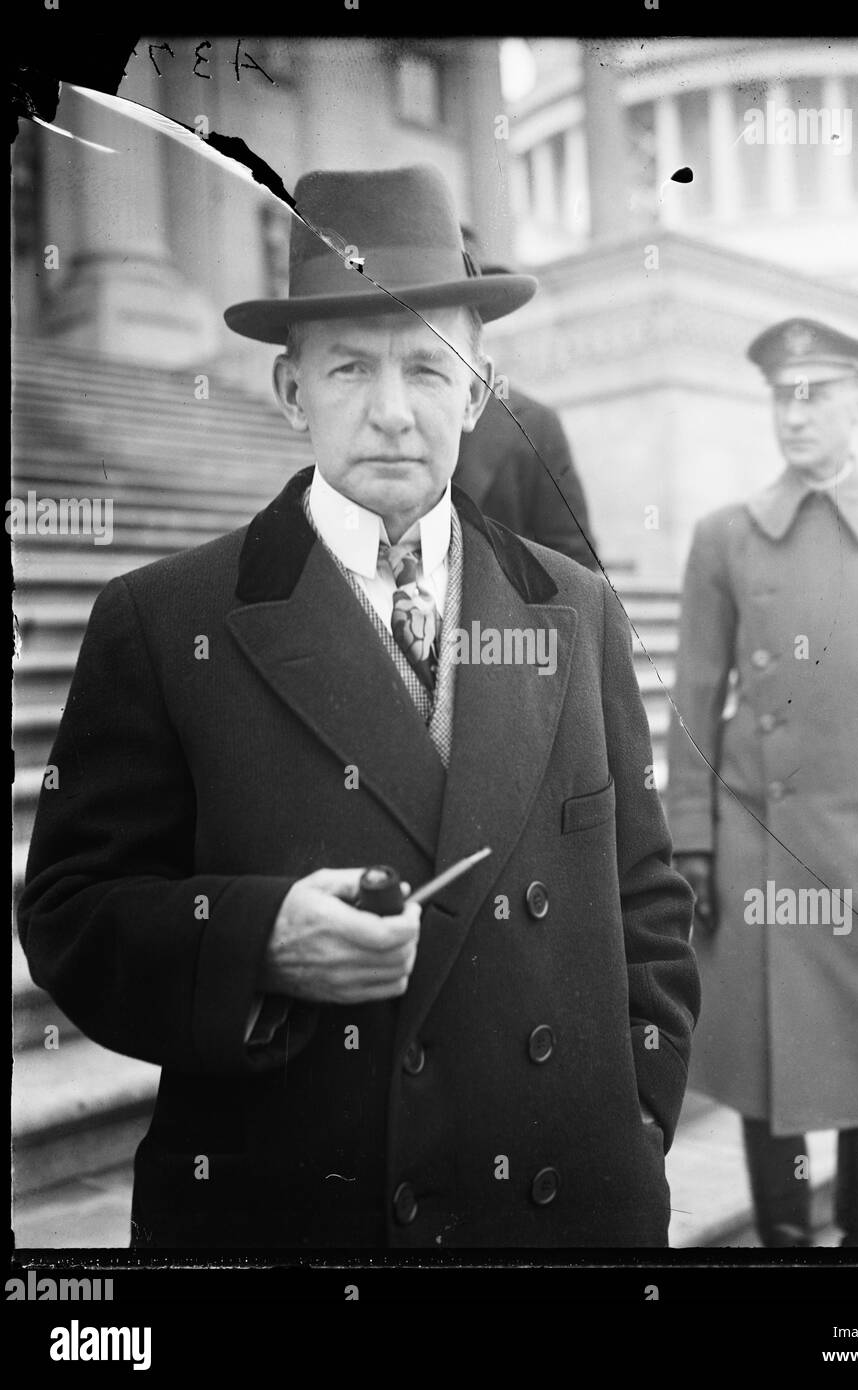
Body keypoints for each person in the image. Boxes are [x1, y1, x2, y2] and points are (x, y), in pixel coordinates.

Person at [18, 164, 699, 1249]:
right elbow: (70, 911)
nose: (391, 412)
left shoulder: (575, 610)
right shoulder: (160, 620)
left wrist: (634, 1133)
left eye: (428, 367)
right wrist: (255, 942)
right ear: (291, 391)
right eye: (349, 368)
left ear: (476, 391)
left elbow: (647, 901)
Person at [666, 317, 858, 1247]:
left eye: (815, 396)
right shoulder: (724, 537)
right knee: (771, 1070)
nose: (795, 417)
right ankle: (782, 1241)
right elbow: (692, 700)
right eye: (780, 397)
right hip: (763, 844)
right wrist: (690, 840)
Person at [454, 227, 599, 569]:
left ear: (480, 317)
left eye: (459, 308)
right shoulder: (384, 416)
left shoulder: (532, 424)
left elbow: (575, 565)